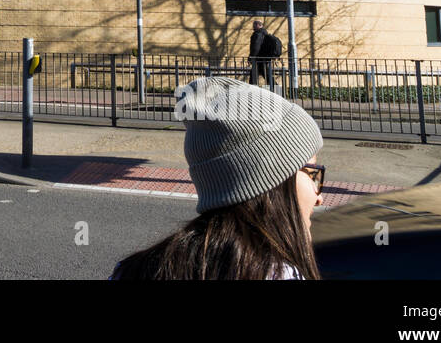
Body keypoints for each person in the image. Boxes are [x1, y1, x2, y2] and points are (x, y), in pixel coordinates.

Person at [111, 77, 325, 280]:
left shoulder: (131, 271)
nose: (319, 197)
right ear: (269, 177)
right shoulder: (279, 274)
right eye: (312, 173)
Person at [248, 20, 279, 87]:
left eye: (254, 25)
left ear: (258, 25)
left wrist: (251, 57)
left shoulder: (257, 34)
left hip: (258, 59)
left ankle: (251, 93)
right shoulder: (265, 33)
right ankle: (278, 90)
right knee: (267, 76)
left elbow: (256, 47)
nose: (253, 27)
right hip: (264, 58)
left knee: (253, 77)